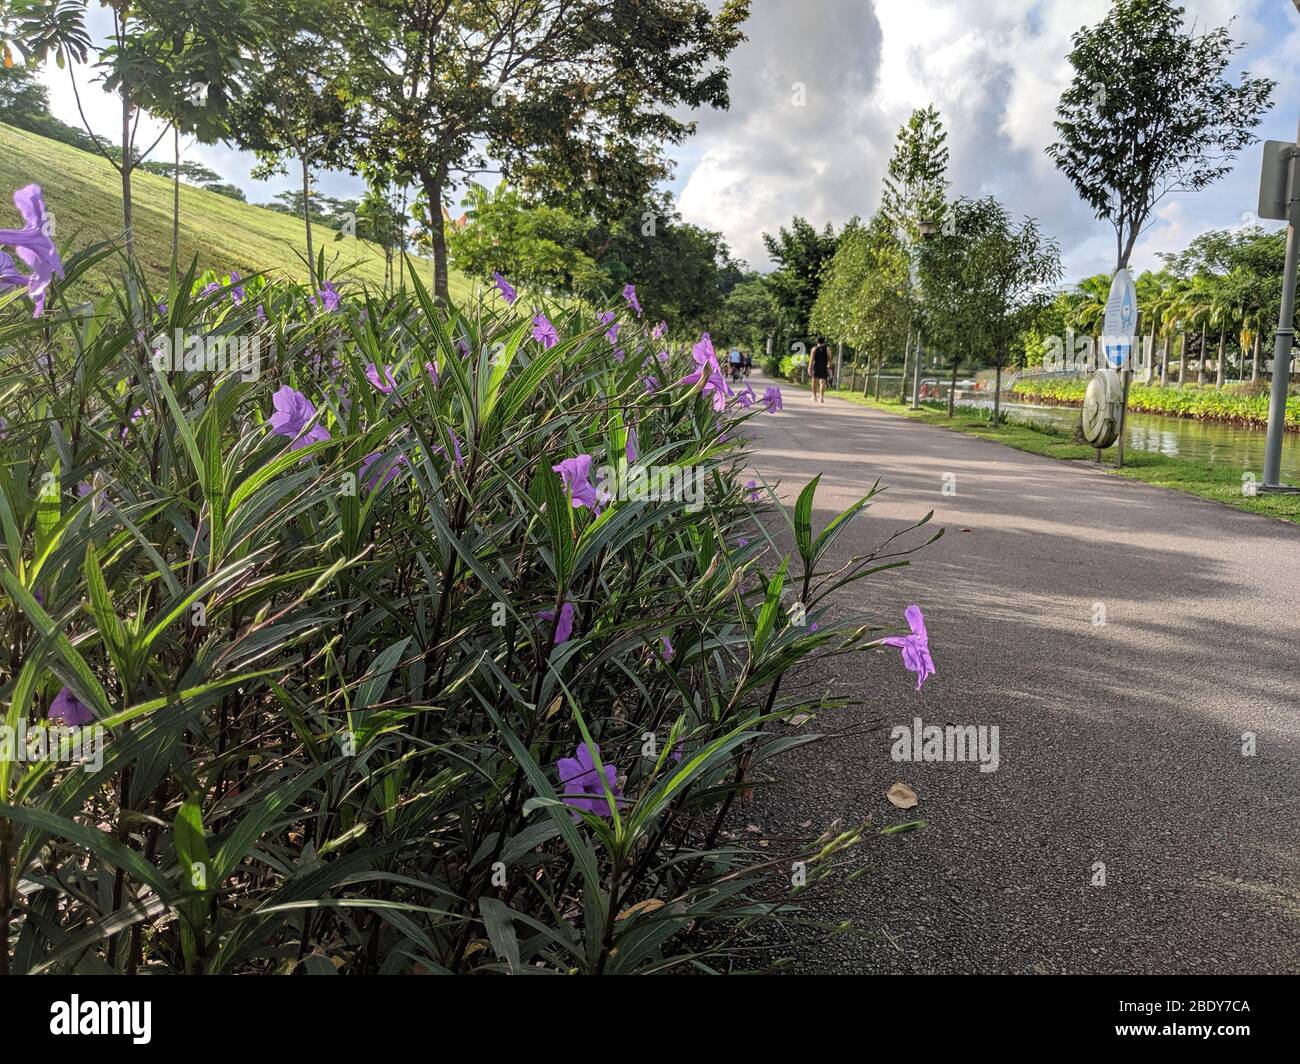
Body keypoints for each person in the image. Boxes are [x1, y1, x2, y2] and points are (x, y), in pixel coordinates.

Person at [809, 337, 831, 402]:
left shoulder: (814, 349)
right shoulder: (827, 349)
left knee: (814, 381)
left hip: (816, 367)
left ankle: (814, 397)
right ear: (824, 342)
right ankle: (821, 397)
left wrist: (809, 368)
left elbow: (811, 359)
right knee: (823, 382)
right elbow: (829, 358)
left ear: (817, 342)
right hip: (824, 366)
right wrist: (829, 365)